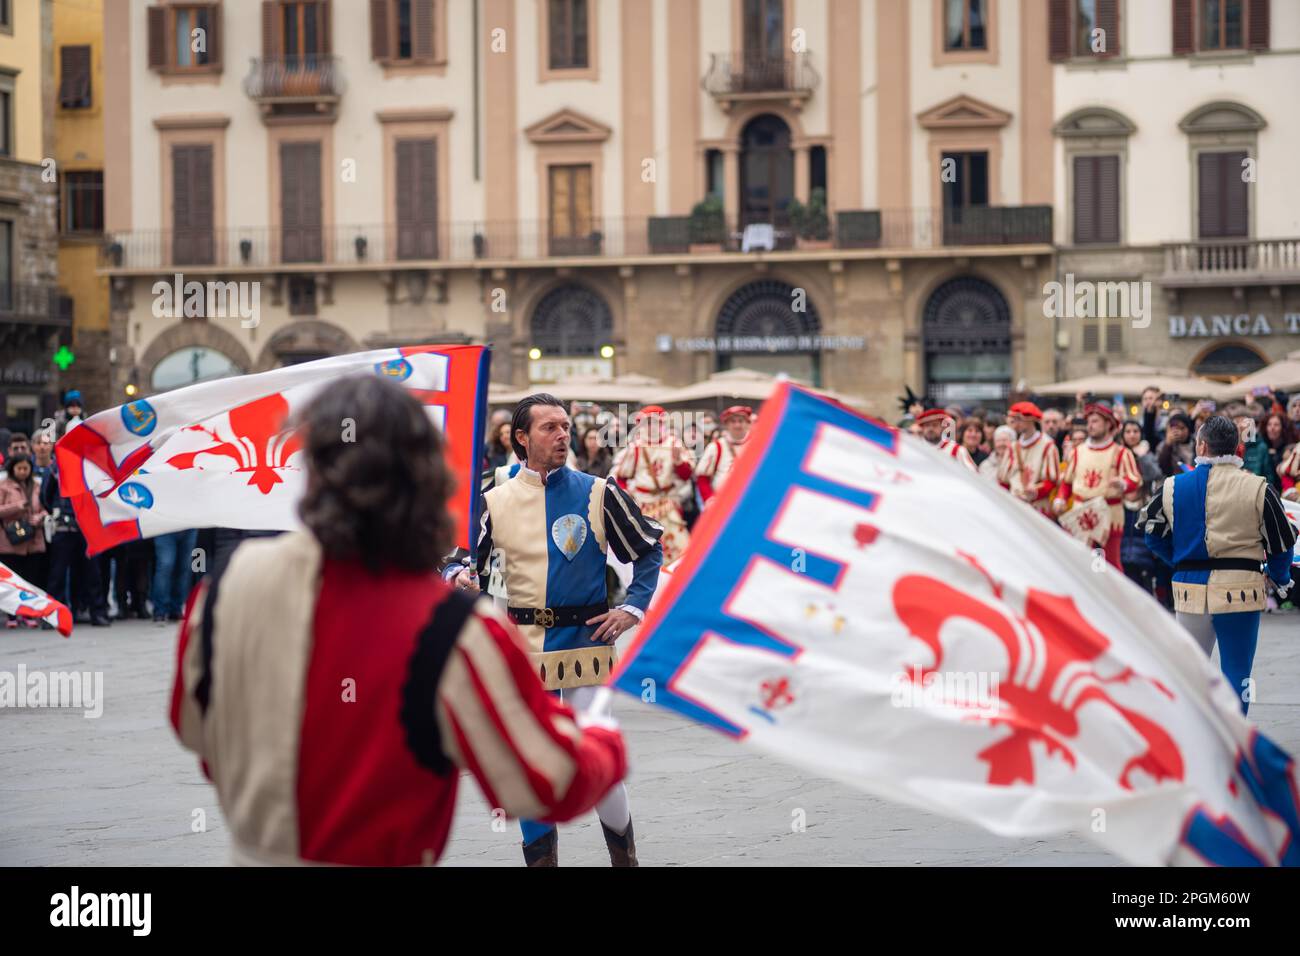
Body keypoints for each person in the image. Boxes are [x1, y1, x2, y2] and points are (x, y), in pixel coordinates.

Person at [170, 376, 628, 866]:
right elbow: (544, 780)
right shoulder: (455, 626)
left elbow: (194, 730)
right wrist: (603, 737)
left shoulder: (223, 591)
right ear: (425, 478)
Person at [446, 392, 663, 866]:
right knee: (530, 766)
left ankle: (624, 860)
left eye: (565, 426)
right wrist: (458, 574)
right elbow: (459, 558)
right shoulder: (492, 499)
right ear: (521, 438)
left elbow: (648, 549)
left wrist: (633, 609)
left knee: (598, 762)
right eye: (550, 427)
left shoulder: (598, 491)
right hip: (522, 648)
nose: (563, 434)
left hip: (587, 643)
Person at [1142, 416, 1296, 714]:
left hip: (1189, 591)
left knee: (1190, 675)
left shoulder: (1172, 486)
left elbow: (1151, 533)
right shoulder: (1258, 487)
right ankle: (1237, 745)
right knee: (1238, 675)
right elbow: (1281, 543)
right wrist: (1279, 576)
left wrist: (1180, 561)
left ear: (1201, 445)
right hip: (1241, 592)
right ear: (1238, 447)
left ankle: (1194, 739)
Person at [1053, 404, 1140, 569]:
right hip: (1080, 514)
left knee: (1107, 566)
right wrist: (1060, 498)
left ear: (1108, 424)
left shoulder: (1121, 453)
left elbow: (1134, 480)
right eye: (1089, 421)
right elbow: (1067, 482)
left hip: (1109, 515)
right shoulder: (1077, 452)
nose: (1090, 425)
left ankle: (1111, 595)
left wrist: (1123, 484)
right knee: (1080, 565)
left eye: (1095, 421)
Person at [611, 404, 694, 565]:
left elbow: (686, 476)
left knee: (680, 549)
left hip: (669, 504)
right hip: (643, 506)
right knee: (647, 552)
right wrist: (628, 496)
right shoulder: (635, 447)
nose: (651, 427)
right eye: (646, 423)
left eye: (655, 423)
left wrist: (678, 461)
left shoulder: (674, 443)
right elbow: (620, 477)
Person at [0, 454, 49, 628]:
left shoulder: (37, 486)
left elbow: (45, 507)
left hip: (33, 538)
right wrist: (17, 506)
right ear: (12, 468)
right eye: (19, 468)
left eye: (26, 468)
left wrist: (40, 517)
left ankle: (28, 613)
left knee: (31, 578)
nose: (22, 472)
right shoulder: (4, 486)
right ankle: (12, 615)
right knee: (13, 580)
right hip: (10, 540)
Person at [1004, 401, 1059, 518]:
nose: (1015, 423)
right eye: (1014, 419)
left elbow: (1052, 481)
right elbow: (1004, 480)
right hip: (1015, 509)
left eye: (1019, 419)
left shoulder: (1047, 445)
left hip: (1037, 510)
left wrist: (1034, 492)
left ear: (1031, 419)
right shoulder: (1013, 447)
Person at [695, 405, 752, 505]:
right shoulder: (716, 447)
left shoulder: (756, 445)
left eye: (741, 421)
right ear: (726, 424)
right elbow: (702, 478)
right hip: (722, 505)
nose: (737, 425)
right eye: (733, 421)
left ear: (747, 423)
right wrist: (710, 501)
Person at [1244, 412, 1290, 495]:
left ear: (1283, 428)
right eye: (1269, 425)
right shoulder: (1262, 445)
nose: (1272, 428)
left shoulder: (1288, 448)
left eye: (1276, 425)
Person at [1156, 412, 1195, 478]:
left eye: (1182, 428)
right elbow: (1162, 468)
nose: (1178, 432)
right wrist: (1168, 445)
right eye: (1174, 428)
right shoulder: (1163, 445)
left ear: (1188, 429)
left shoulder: (1196, 444)